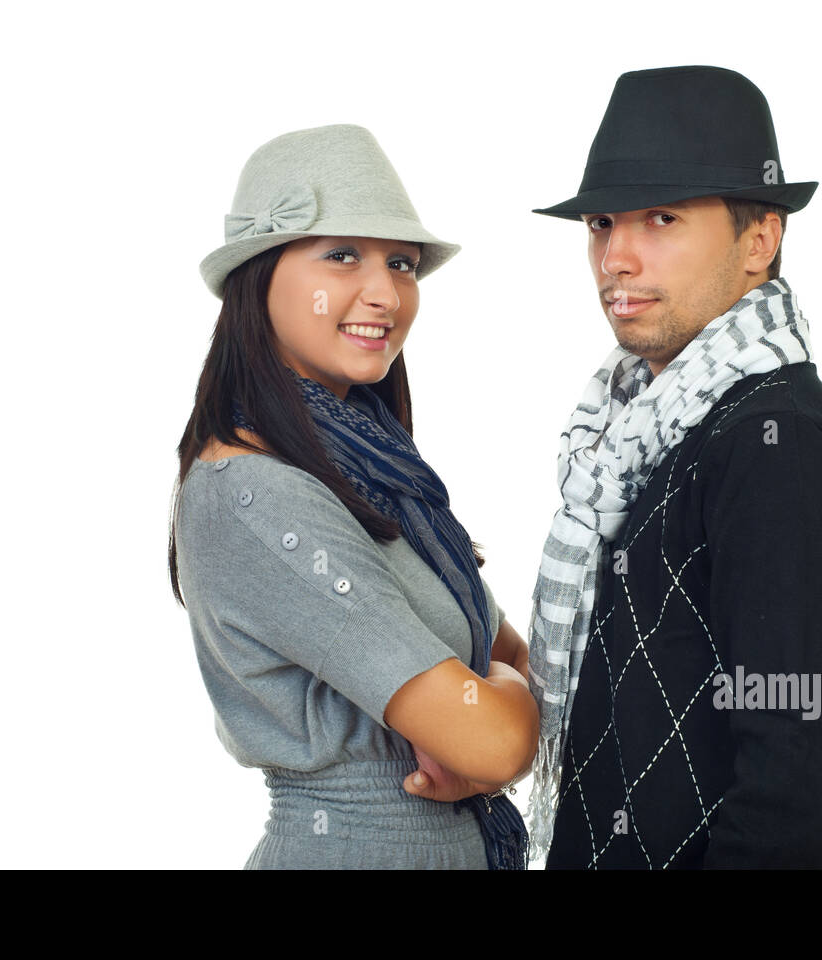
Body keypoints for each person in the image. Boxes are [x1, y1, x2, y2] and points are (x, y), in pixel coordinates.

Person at [524, 66, 822, 868]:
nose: (616, 257)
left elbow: (791, 787)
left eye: (661, 218)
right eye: (602, 224)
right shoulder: (637, 435)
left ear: (761, 240)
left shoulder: (774, 443)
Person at [167, 124, 537, 869]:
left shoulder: (375, 473)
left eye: (401, 263)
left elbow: (510, 658)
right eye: (342, 255)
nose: (386, 293)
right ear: (260, 272)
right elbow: (493, 741)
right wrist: (511, 710)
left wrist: (499, 703)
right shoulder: (251, 493)